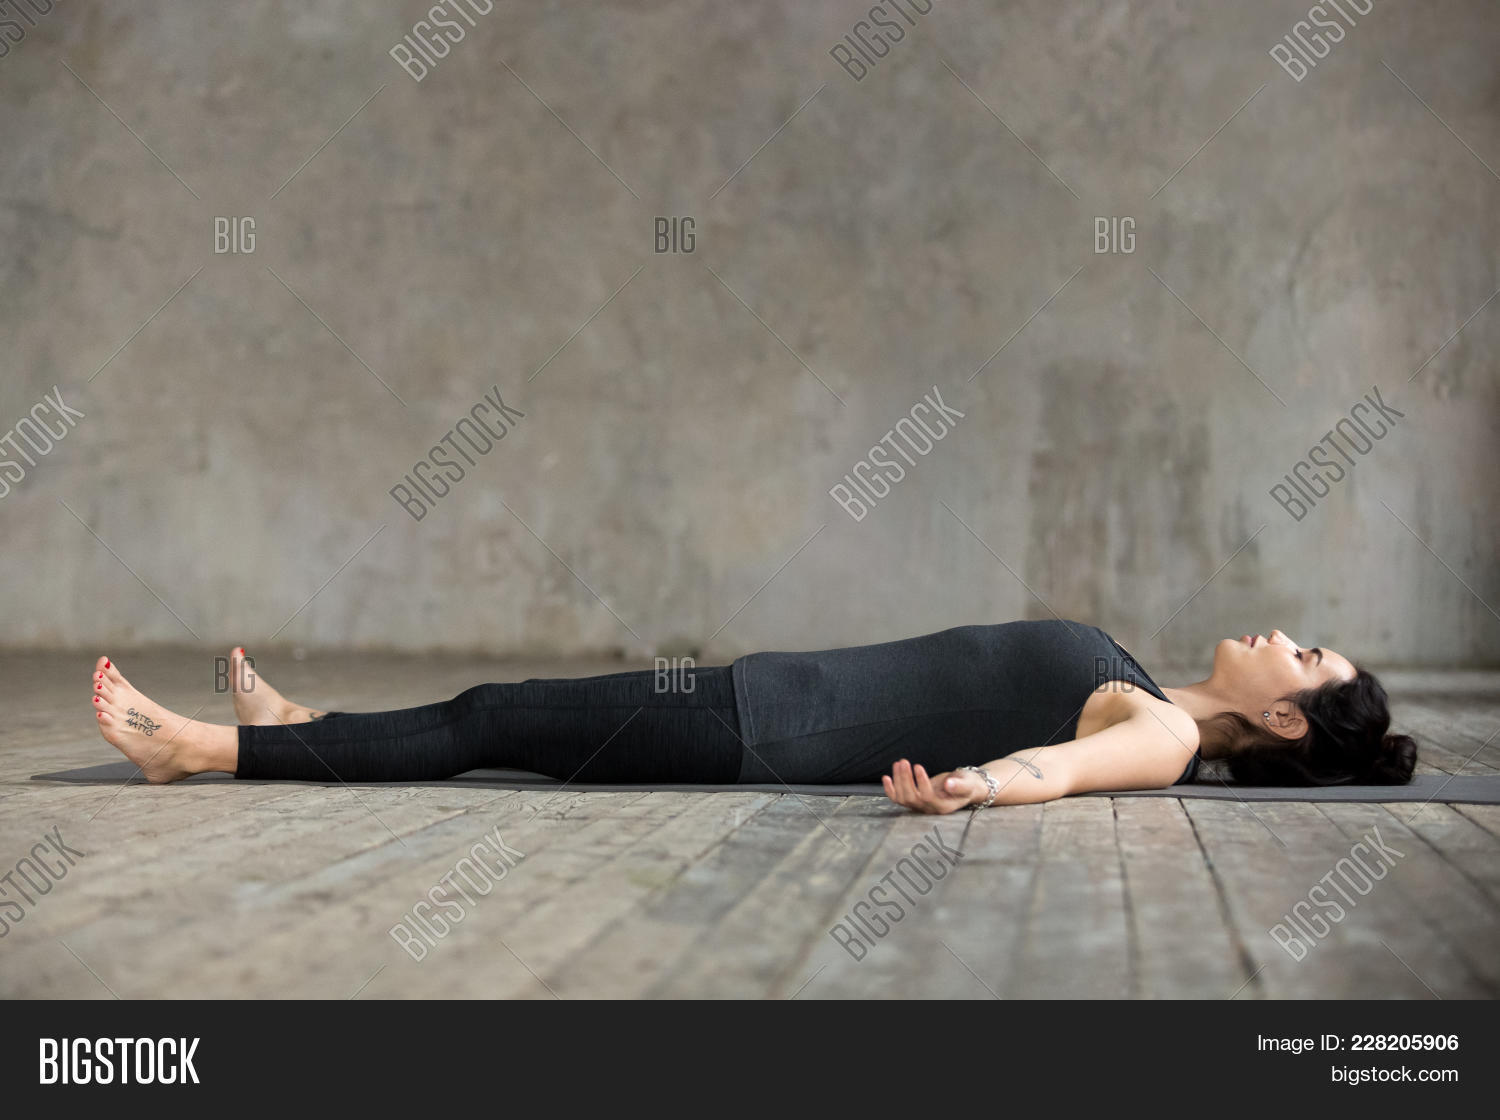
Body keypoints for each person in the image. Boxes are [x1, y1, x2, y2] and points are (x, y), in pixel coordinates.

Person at [88, 620, 1416, 815]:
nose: (1279, 633)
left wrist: (980, 790)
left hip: (745, 729)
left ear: (1292, 721)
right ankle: (312, 721)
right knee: (497, 716)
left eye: (1303, 655)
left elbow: (1069, 773)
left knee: (495, 714)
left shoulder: (1170, 732)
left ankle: (199, 750)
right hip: (753, 697)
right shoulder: (1142, 669)